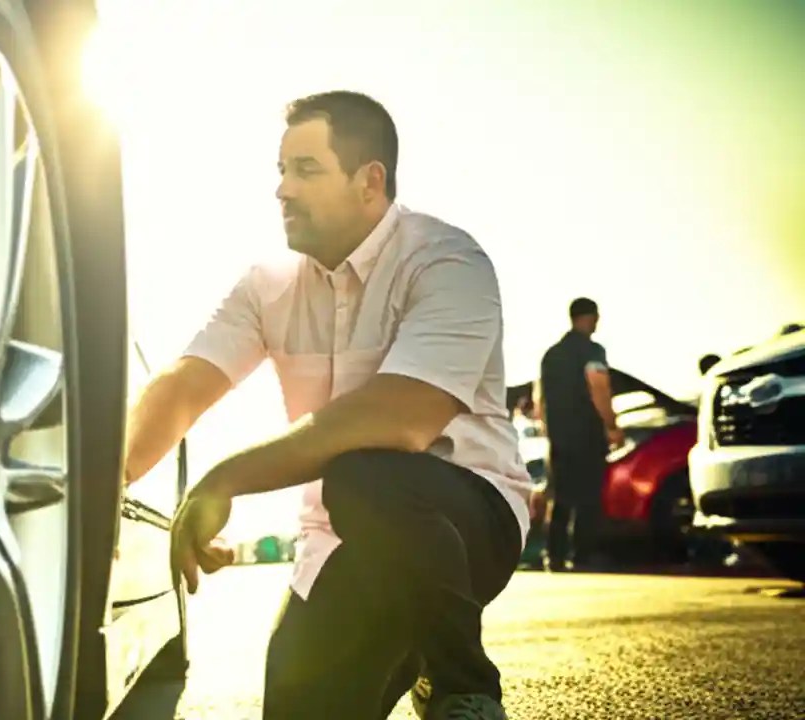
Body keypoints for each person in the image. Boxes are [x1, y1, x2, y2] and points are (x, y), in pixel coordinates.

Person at [122, 91, 531, 720]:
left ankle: (461, 686)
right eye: (280, 170)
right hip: (337, 545)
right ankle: (417, 649)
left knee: (363, 473)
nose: (282, 190)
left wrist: (228, 477)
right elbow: (183, 385)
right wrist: (99, 488)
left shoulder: (447, 261)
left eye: (305, 170)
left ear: (370, 181)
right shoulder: (267, 285)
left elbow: (401, 418)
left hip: (469, 519)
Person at [534, 298, 624, 572]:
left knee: (560, 497)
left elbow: (539, 398)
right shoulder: (592, 350)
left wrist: (548, 429)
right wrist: (611, 424)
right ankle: (583, 555)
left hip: (559, 437)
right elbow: (598, 386)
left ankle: (555, 556)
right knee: (588, 497)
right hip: (586, 434)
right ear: (590, 317)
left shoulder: (551, 354)